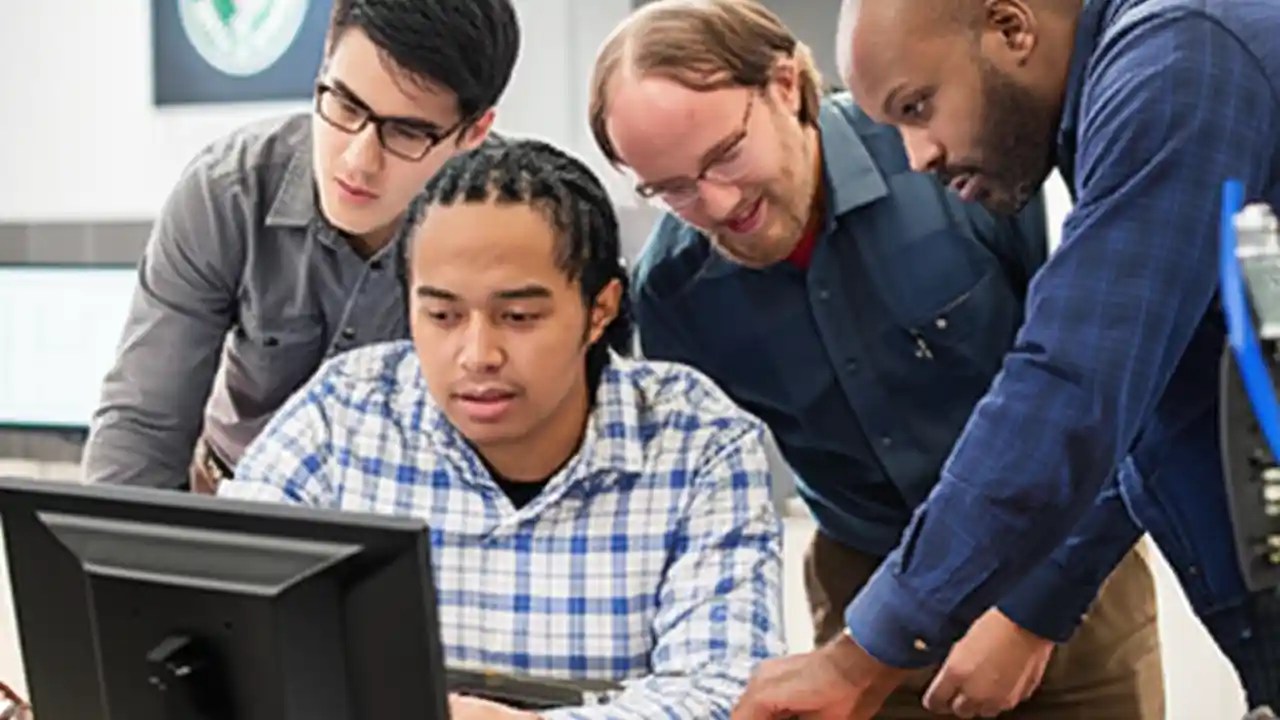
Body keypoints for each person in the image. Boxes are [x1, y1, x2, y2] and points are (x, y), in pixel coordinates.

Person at [590, 1, 1162, 717]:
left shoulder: (951, 152)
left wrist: (1033, 611)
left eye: (725, 155)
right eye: (670, 189)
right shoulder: (673, 293)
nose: (716, 202)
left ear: (785, 86)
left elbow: (1100, 388)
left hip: (1060, 568)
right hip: (866, 592)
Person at [731, 0, 1280, 718]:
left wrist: (864, 655)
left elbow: (1073, 385)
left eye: (918, 106)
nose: (917, 155)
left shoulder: (1177, 62)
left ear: (1012, 28)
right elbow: (1149, 393)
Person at [217, 138, 787, 720]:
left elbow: (726, 692)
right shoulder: (344, 415)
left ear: (601, 308)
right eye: (442, 316)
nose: (476, 354)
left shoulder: (698, 443)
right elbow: (221, 618)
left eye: (518, 317)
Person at [82, 0, 520, 493]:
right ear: (322, 69)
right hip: (234, 494)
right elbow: (144, 428)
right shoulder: (229, 191)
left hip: (416, 520)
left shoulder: (520, 226)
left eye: (405, 132)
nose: (358, 160)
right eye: (346, 105)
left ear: (474, 132)